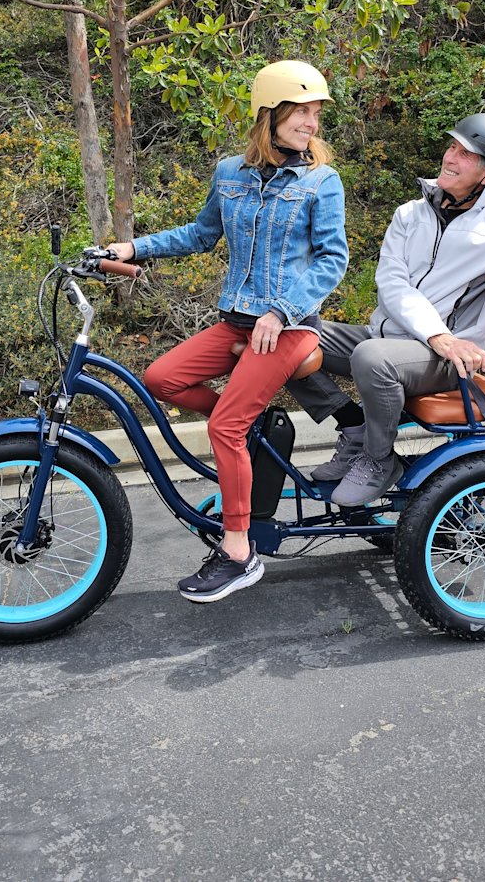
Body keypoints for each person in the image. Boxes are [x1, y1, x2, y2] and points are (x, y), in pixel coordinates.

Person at [108, 60, 348, 603]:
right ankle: (246, 423)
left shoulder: (319, 181)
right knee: (160, 378)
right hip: (238, 321)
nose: (310, 123)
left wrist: (280, 311)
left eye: (315, 114)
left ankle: (239, 553)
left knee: (226, 428)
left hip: (289, 329)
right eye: (301, 112)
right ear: (271, 114)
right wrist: (132, 248)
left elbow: (333, 260)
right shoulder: (230, 174)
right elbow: (201, 233)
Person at [287, 112, 485, 506]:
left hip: (449, 360)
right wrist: (437, 334)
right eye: (452, 146)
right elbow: (392, 283)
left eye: (466, 154)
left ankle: (378, 459)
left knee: (372, 357)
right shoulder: (409, 214)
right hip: (398, 339)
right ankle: (354, 428)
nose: (450, 157)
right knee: (288, 333)